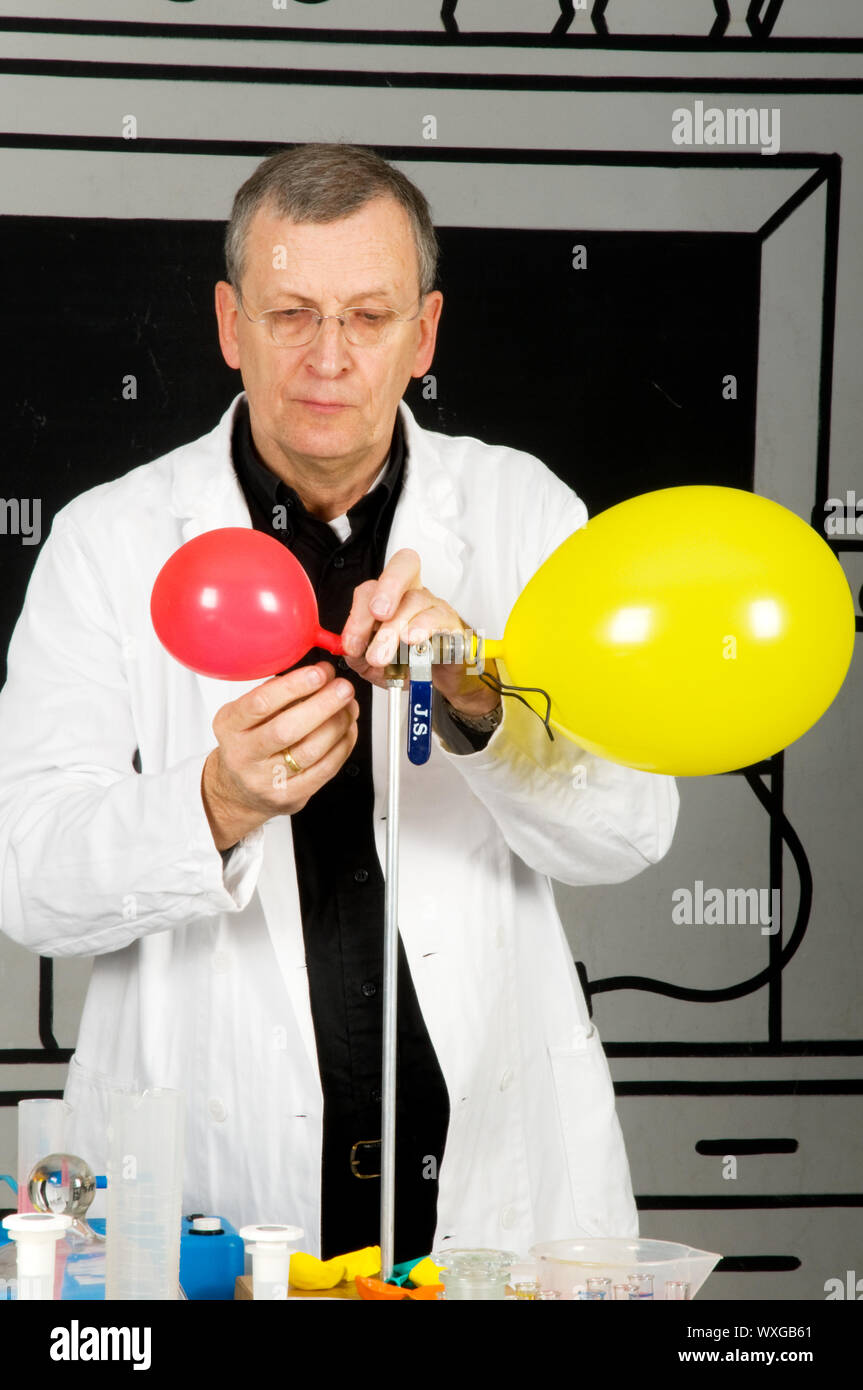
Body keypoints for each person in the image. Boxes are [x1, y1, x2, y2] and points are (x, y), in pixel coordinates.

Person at [0, 144, 679, 1262]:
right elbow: (26, 878)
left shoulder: (523, 513)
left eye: (368, 316)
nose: (328, 358)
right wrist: (211, 803)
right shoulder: (107, 540)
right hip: (209, 1181)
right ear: (230, 326)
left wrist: (484, 709)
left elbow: (633, 827)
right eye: (289, 314)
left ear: (423, 334)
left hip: (491, 1178)